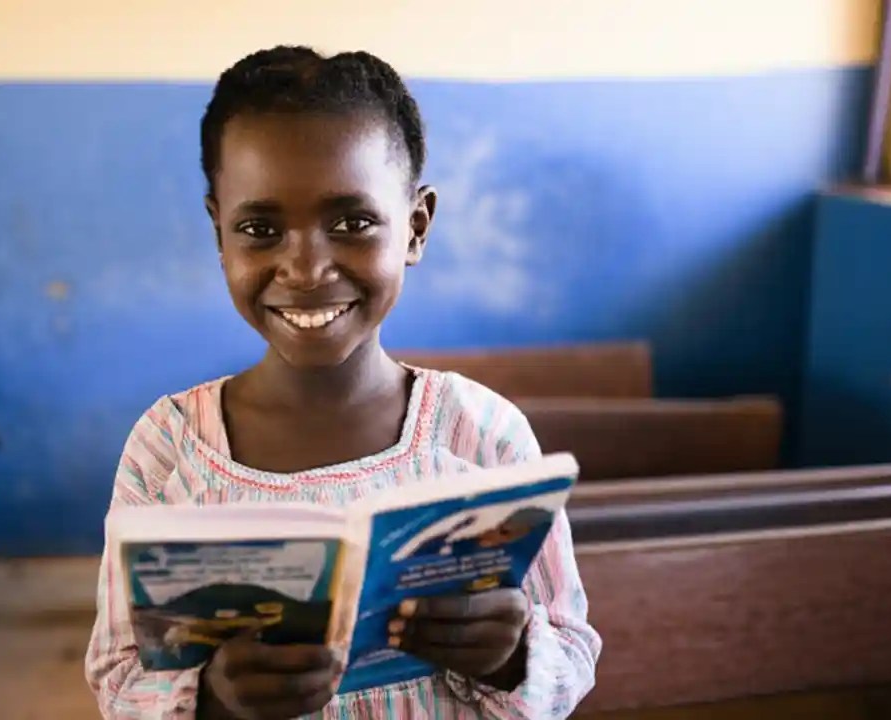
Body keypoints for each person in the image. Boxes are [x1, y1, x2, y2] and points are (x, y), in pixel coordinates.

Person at [85, 45, 601, 719]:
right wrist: (211, 697)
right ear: (220, 231)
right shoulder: (168, 448)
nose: (304, 267)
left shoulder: (483, 435)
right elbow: (117, 677)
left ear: (415, 227)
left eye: (352, 222)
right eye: (260, 228)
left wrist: (508, 655)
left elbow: (572, 659)